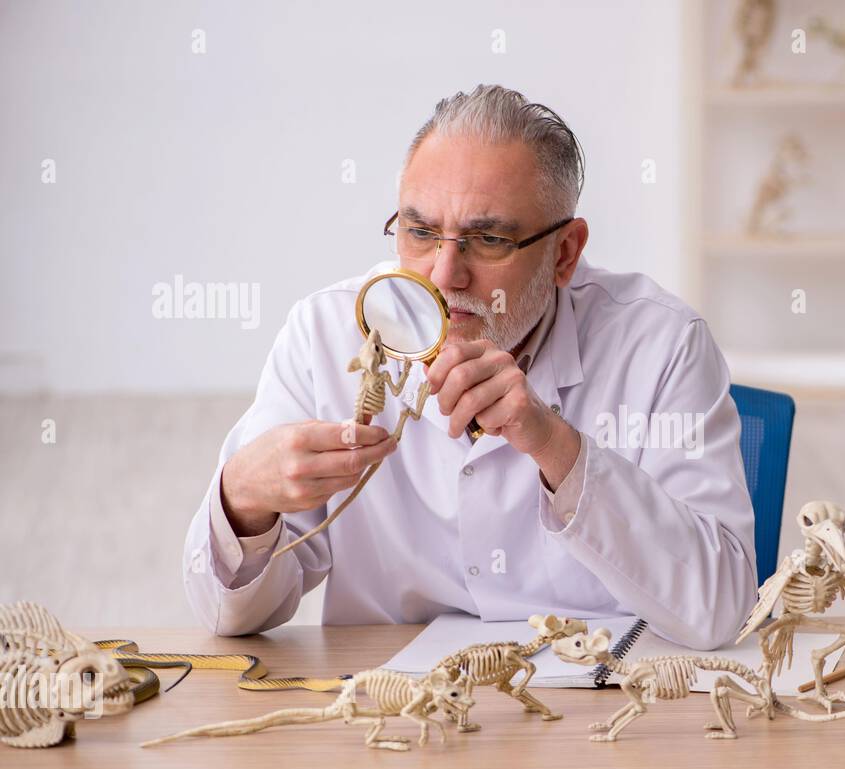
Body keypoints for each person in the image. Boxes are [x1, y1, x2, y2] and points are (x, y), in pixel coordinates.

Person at [182, 84, 756, 650]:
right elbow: (230, 615)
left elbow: (720, 608)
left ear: (565, 253)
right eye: (422, 232)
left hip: (597, 706)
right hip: (393, 712)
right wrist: (243, 503)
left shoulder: (661, 343)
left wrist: (555, 445)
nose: (443, 275)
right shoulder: (325, 335)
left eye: (488, 239)